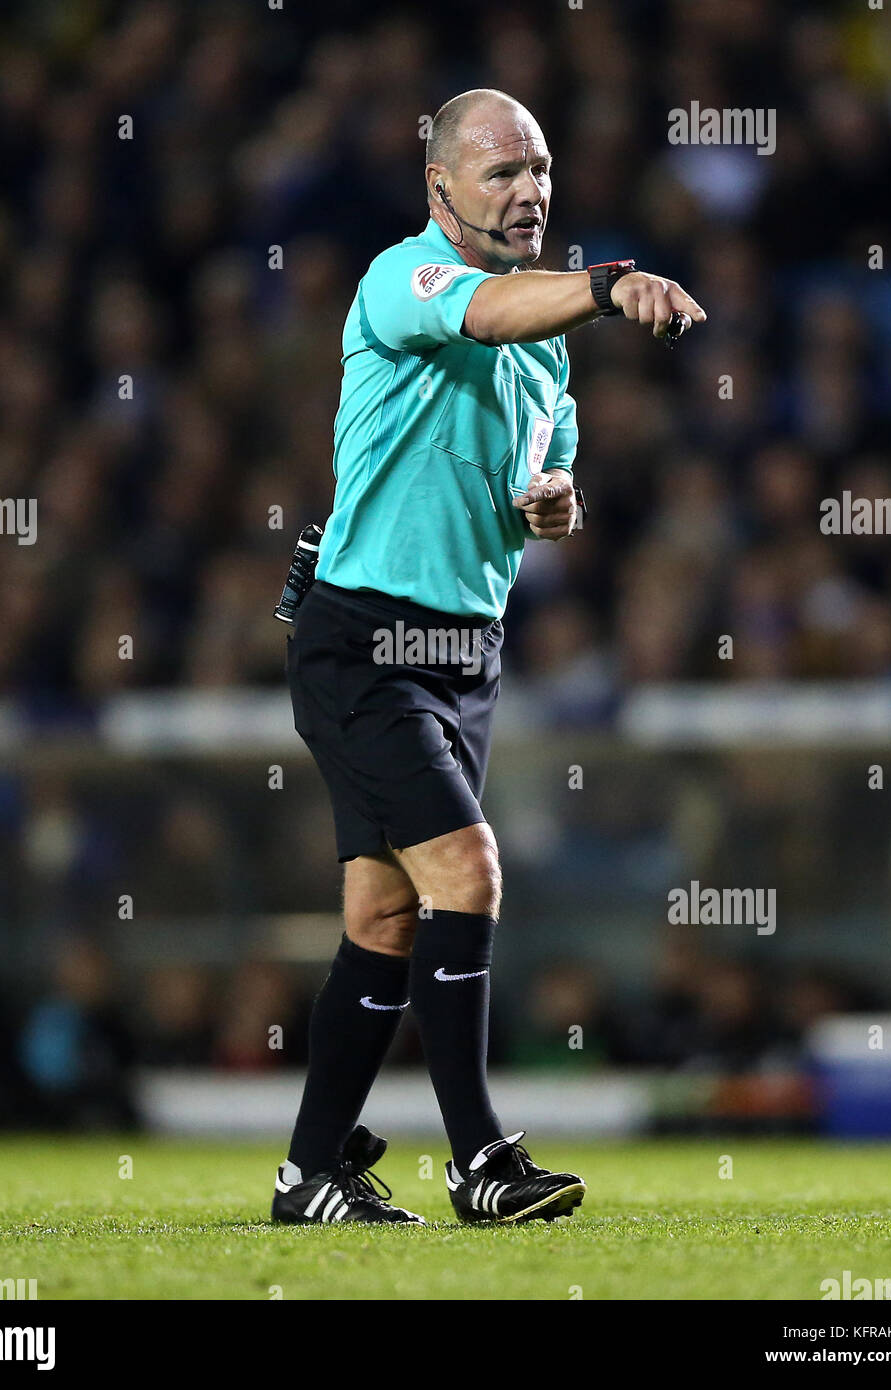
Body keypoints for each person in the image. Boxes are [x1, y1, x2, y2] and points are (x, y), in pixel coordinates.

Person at [273, 88, 706, 1226]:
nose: (526, 191)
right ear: (440, 189)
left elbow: (532, 484)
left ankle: (308, 1171)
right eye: (501, 171)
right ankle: (478, 1157)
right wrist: (613, 286)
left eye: (539, 169)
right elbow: (491, 313)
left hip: (465, 653)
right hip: (365, 640)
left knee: (381, 919)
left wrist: (551, 506)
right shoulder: (403, 278)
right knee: (466, 867)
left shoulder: (546, 359)